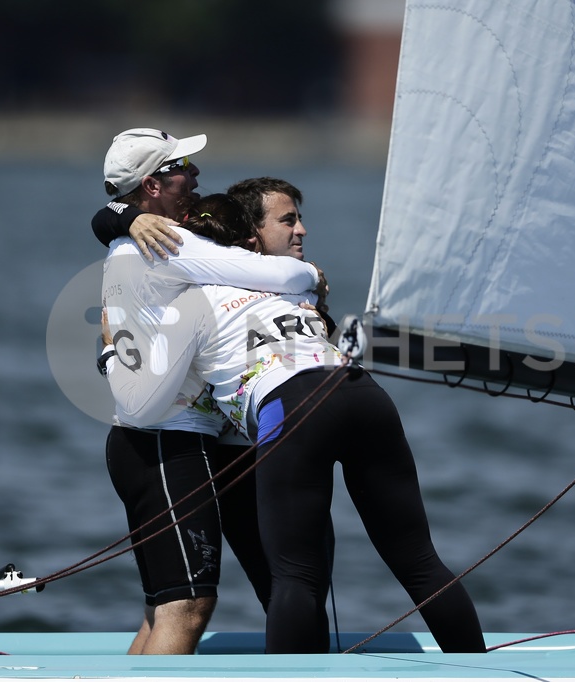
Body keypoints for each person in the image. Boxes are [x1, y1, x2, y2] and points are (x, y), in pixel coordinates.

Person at [104, 186, 486, 655]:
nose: (300, 230)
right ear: (248, 240)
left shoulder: (190, 302)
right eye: (289, 221)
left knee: (295, 579)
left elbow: (143, 402)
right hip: (362, 394)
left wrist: (111, 350)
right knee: (419, 561)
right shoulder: (294, 283)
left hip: (294, 407)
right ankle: (479, 670)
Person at [96, 128, 325, 654]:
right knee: (188, 605)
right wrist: (312, 273)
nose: (196, 174)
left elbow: (108, 215)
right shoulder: (169, 245)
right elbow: (283, 275)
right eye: (183, 167)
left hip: (146, 441)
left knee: (163, 607)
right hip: (166, 441)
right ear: (152, 185)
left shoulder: (127, 240)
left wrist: (120, 214)